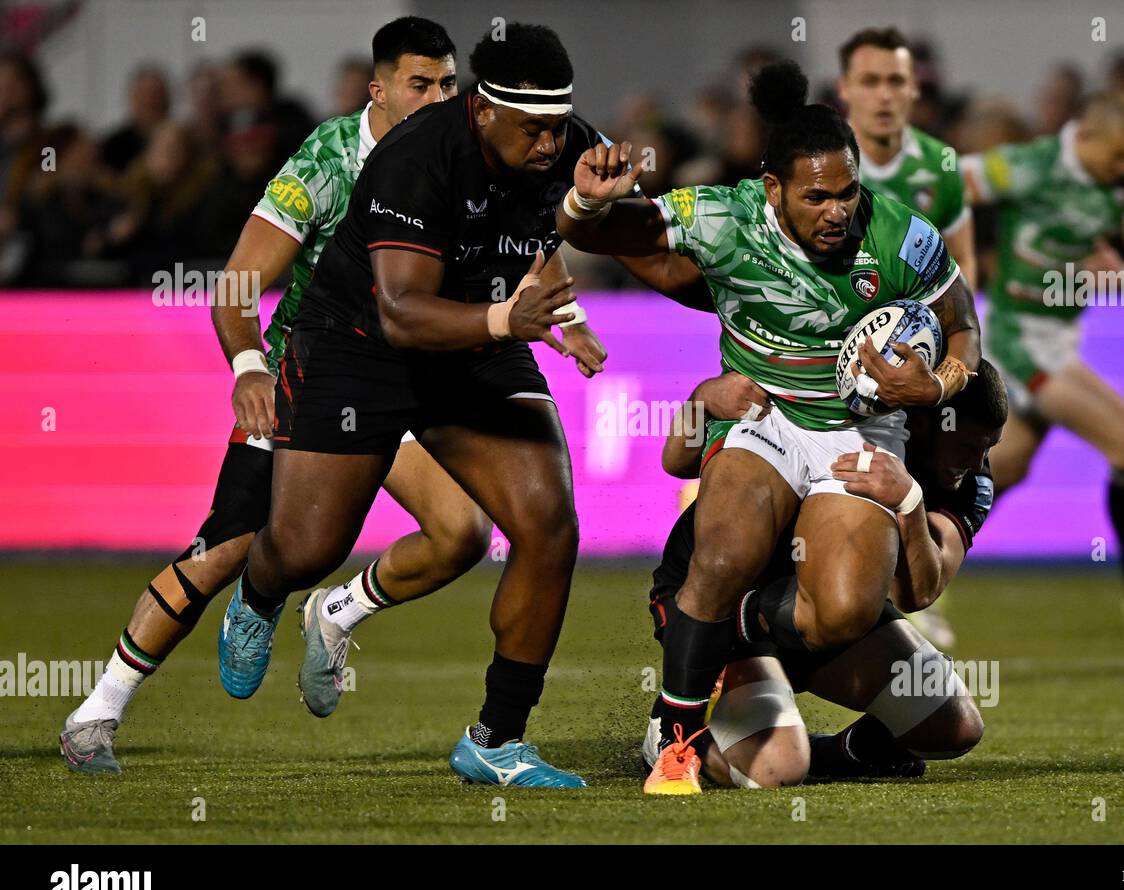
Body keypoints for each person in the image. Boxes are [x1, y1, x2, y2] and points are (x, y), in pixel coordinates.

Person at [57, 16, 521, 774]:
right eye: (420, 84)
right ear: (378, 89)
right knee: (227, 548)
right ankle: (98, 711)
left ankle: (335, 612)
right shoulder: (331, 161)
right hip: (315, 372)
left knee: (464, 534)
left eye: (448, 84)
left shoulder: (466, 156)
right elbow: (238, 282)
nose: (441, 99)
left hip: (410, 380)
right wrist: (247, 366)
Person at [558, 60, 981, 794]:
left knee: (854, 613)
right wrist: (582, 207)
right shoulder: (726, 216)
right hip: (768, 417)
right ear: (773, 190)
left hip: (859, 436)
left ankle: (776, 684)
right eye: (817, 196)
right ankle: (678, 742)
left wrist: (935, 382)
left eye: (849, 192)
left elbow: (963, 325)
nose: (838, 211)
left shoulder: (902, 237)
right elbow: (618, 235)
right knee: (721, 556)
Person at [219, 23, 607, 788]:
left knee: (548, 522)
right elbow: (400, 311)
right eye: (534, 129)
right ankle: (263, 591)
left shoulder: (559, 142)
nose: (549, 145)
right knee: (307, 547)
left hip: (472, 340)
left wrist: (586, 225)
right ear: (485, 111)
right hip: (359, 345)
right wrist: (509, 318)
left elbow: (539, 221)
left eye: (560, 127)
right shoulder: (411, 159)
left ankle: (496, 739)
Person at [643, 360, 1005, 787]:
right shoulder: (832, 410)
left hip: (826, 613)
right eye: (968, 445)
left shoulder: (969, 480)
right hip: (720, 600)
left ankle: (838, 755)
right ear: (924, 423)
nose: (978, 460)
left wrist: (909, 502)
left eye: (988, 447)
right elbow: (677, 460)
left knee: (953, 725)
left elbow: (920, 592)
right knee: (777, 769)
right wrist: (702, 400)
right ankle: (671, 733)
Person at [962, 91, 1124, 643]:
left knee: (1005, 468)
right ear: (1086, 137)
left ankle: (905, 572)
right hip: (1017, 338)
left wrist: (1115, 275)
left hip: (1060, 337)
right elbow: (943, 189)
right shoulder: (1030, 167)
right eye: (1117, 157)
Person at [838, 27, 976, 284]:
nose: (885, 96)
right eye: (870, 81)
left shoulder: (942, 163)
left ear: (914, 87)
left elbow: (961, 260)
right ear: (844, 88)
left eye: (896, 81)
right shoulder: (817, 164)